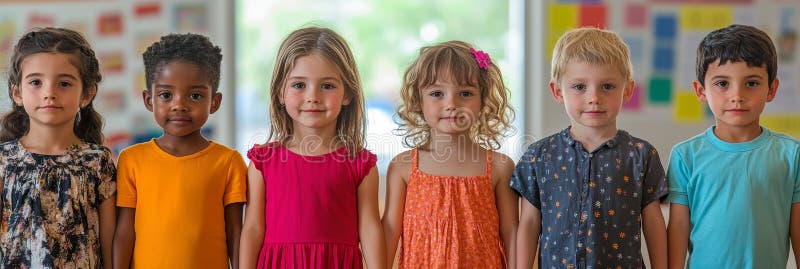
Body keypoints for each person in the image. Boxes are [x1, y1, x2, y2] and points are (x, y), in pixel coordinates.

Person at [512, 27, 668, 269]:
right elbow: (529, 224)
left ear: (627, 90)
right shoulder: (538, 156)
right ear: (557, 91)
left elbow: (654, 223)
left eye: (607, 86)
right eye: (579, 87)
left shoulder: (641, 155)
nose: (594, 97)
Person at [238, 26, 385, 269]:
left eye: (327, 86)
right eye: (299, 85)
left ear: (347, 93)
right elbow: (253, 229)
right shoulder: (262, 163)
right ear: (280, 93)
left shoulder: (361, 165)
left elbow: (370, 228)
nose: (312, 96)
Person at [667, 24, 800, 268]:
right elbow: (678, 227)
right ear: (700, 90)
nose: (736, 95)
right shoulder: (685, 156)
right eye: (722, 83)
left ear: (771, 89)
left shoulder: (792, 155)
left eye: (751, 83)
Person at [112, 33, 246, 269]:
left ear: (214, 102)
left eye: (195, 96)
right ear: (149, 100)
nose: (179, 105)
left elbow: (236, 232)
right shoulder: (131, 159)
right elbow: (125, 233)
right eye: (166, 95)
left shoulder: (228, 162)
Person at [382, 40, 518, 268]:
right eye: (437, 93)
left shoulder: (500, 167)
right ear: (418, 101)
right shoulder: (403, 167)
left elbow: (511, 232)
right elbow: (389, 230)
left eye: (465, 93)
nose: (452, 104)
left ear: (482, 100)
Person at [0, 27, 116, 268]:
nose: (49, 93)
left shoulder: (97, 160)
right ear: (17, 92)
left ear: (87, 94)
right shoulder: (4, 159)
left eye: (64, 83)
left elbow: (109, 239)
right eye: (36, 82)